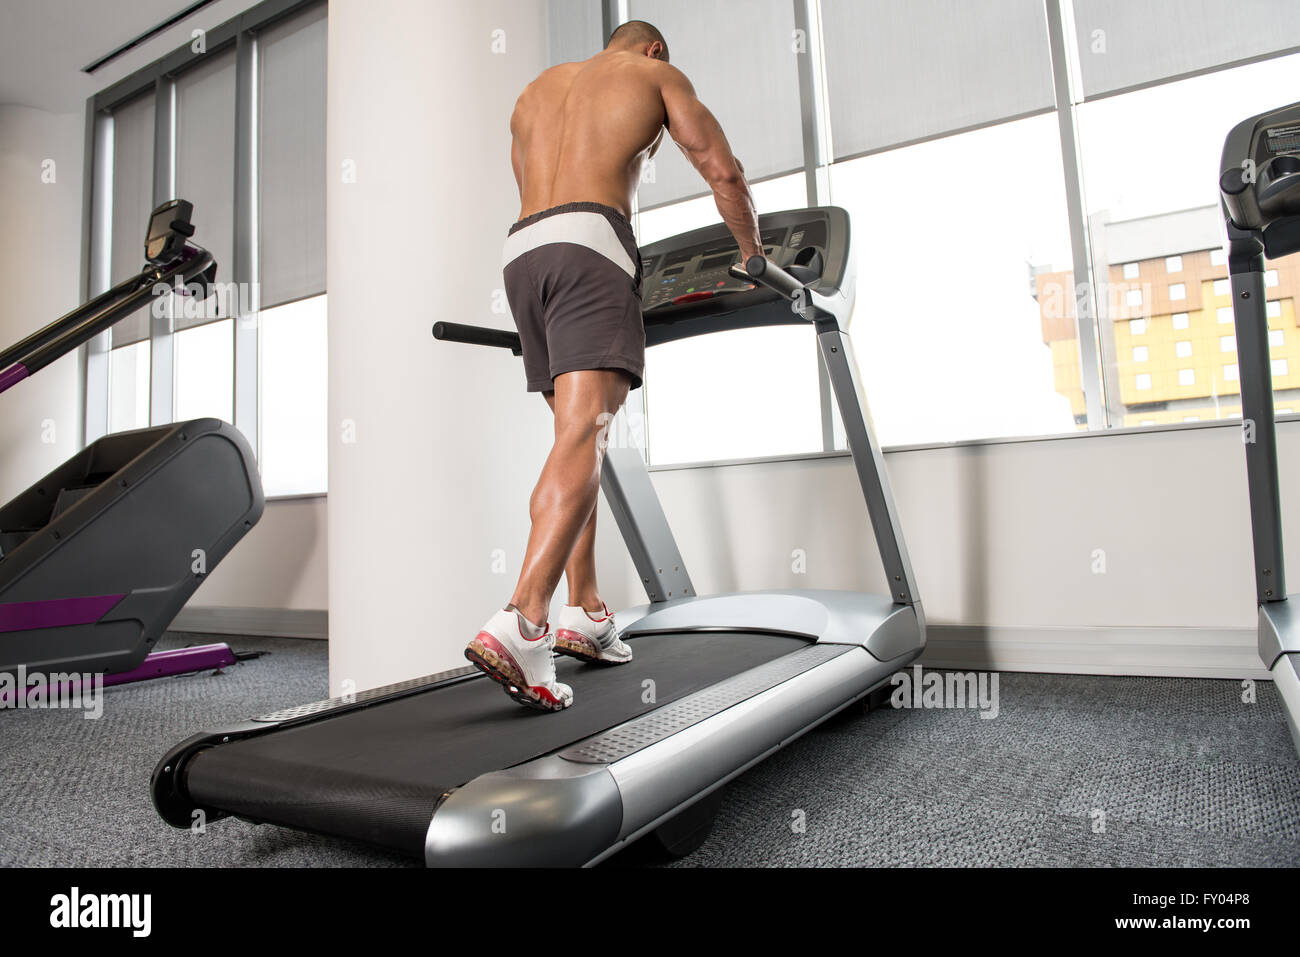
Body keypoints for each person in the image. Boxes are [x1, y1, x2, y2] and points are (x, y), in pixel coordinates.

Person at [465, 20, 764, 711]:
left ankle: (587, 610)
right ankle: (524, 618)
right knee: (583, 437)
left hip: (523, 256)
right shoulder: (654, 75)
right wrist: (751, 251)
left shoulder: (536, 90)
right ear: (656, 47)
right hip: (592, 246)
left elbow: (537, 189)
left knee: (575, 439)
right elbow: (722, 168)